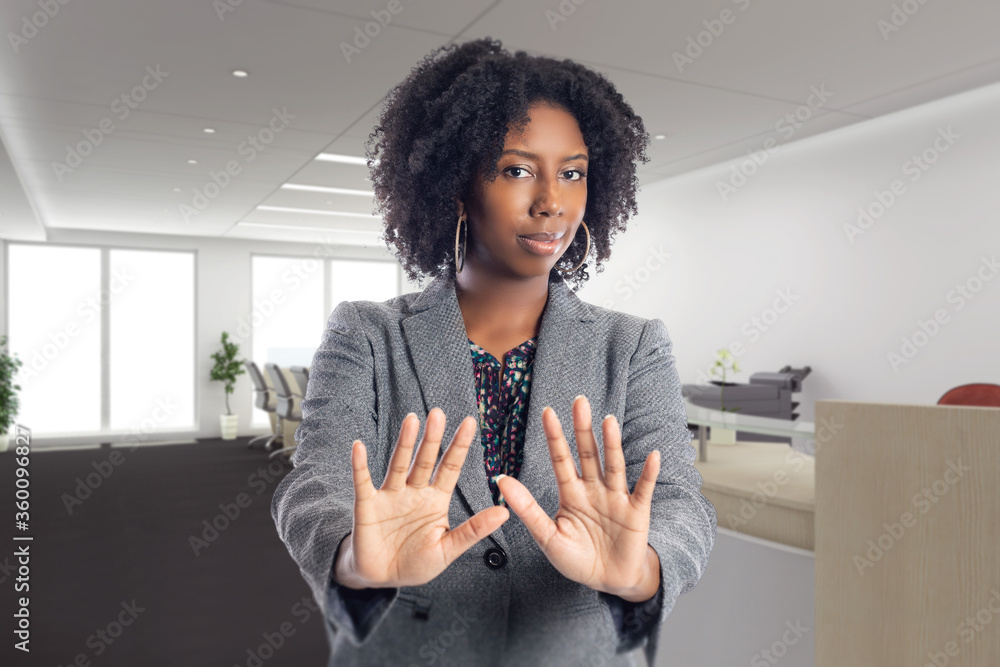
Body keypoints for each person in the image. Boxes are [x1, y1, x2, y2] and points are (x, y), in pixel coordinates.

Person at [271, 37, 717, 667]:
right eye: (516, 170)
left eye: (572, 172)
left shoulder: (633, 345)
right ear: (454, 186)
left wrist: (642, 567)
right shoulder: (367, 335)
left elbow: (678, 501)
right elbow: (314, 484)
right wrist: (353, 556)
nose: (551, 201)